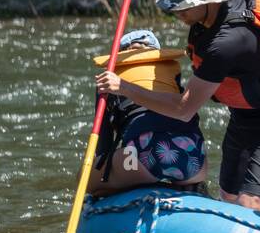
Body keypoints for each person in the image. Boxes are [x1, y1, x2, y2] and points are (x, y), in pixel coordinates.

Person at [95, 0, 260, 212]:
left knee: (249, 204)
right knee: (228, 198)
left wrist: (123, 86)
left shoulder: (227, 42)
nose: (177, 12)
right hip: (244, 114)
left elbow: (183, 109)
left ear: (207, 0)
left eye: (184, 6)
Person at [89, 29, 208, 195]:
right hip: (194, 157)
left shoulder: (109, 78)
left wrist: (107, 171)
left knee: (86, 177)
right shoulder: (172, 69)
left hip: (141, 157)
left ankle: (128, 189)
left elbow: (104, 144)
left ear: (122, 54)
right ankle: (191, 187)